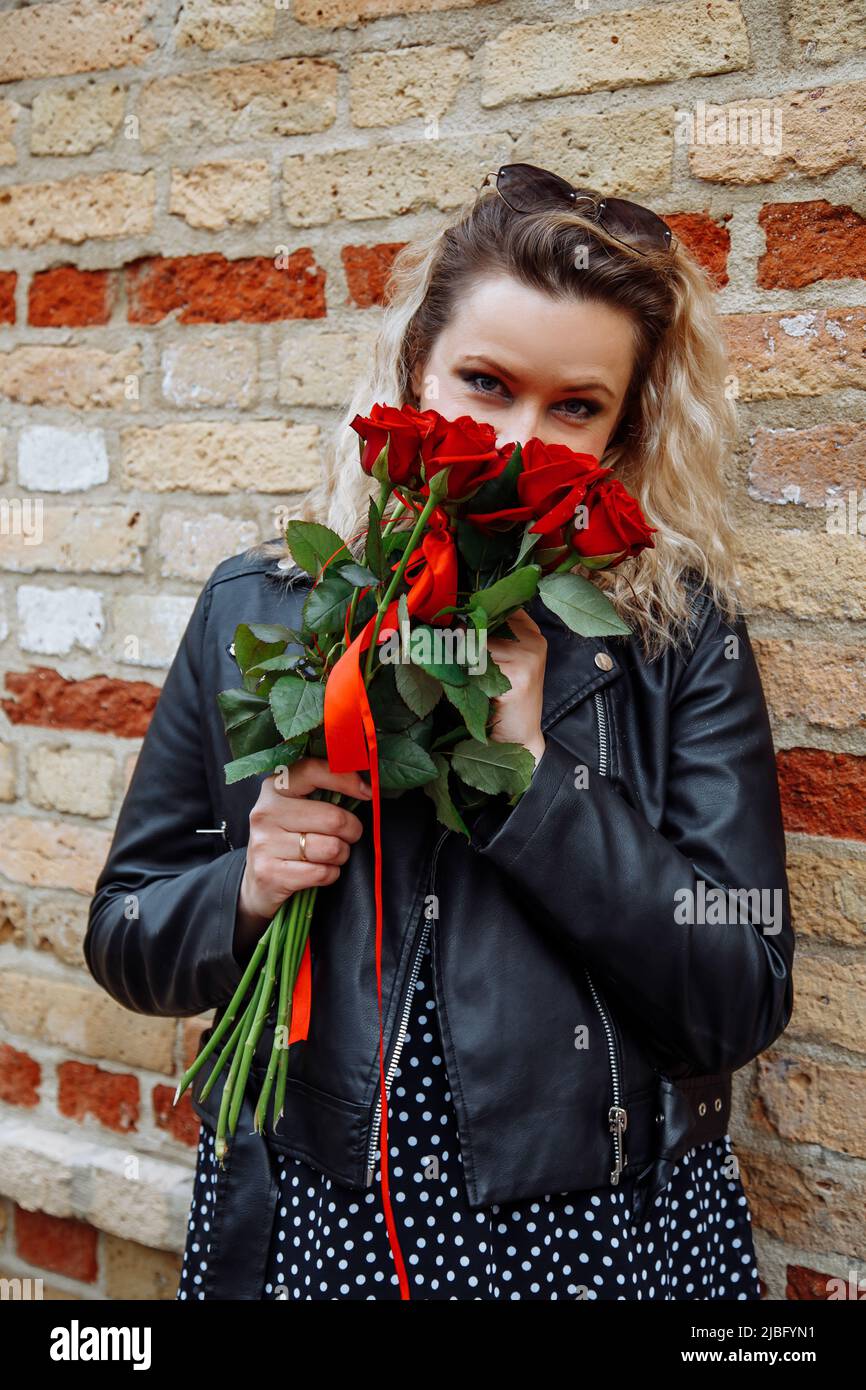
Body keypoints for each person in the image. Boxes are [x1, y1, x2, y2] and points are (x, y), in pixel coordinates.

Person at [85, 163, 794, 1301]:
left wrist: (536, 785)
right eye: (483, 383)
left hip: (586, 1236)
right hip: (315, 1216)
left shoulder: (672, 639)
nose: (519, 442)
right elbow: (126, 931)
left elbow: (738, 993)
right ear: (415, 366)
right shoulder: (259, 605)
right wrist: (247, 886)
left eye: (573, 406)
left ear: (620, 430)